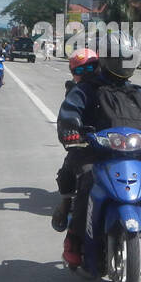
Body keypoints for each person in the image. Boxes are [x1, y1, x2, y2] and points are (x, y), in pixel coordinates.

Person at [56, 32, 141, 267]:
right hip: (96, 156)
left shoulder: (137, 94)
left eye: (129, 60)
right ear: (108, 59)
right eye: (121, 60)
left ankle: (140, 236)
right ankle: (75, 239)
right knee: (88, 187)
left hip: (135, 158)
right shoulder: (87, 89)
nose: (125, 65)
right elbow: (70, 113)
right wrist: (71, 130)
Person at [51, 48, 100, 231]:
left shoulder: (110, 87)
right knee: (69, 169)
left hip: (112, 143)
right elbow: (66, 115)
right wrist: (70, 132)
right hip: (84, 141)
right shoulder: (75, 91)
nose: (86, 74)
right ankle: (65, 205)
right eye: (79, 70)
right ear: (73, 73)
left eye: (91, 68)